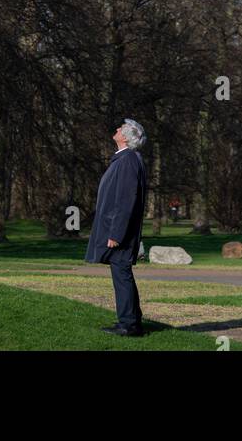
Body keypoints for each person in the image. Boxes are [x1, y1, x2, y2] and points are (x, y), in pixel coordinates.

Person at [85, 119, 148, 337]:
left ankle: (129, 325)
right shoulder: (125, 159)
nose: (116, 129)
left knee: (122, 276)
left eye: (120, 128)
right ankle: (131, 321)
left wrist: (116, 233)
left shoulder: (128, 159)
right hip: (120, 232)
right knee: (122, 275)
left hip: (121, 233)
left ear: (126, 136)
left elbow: (125, 200)